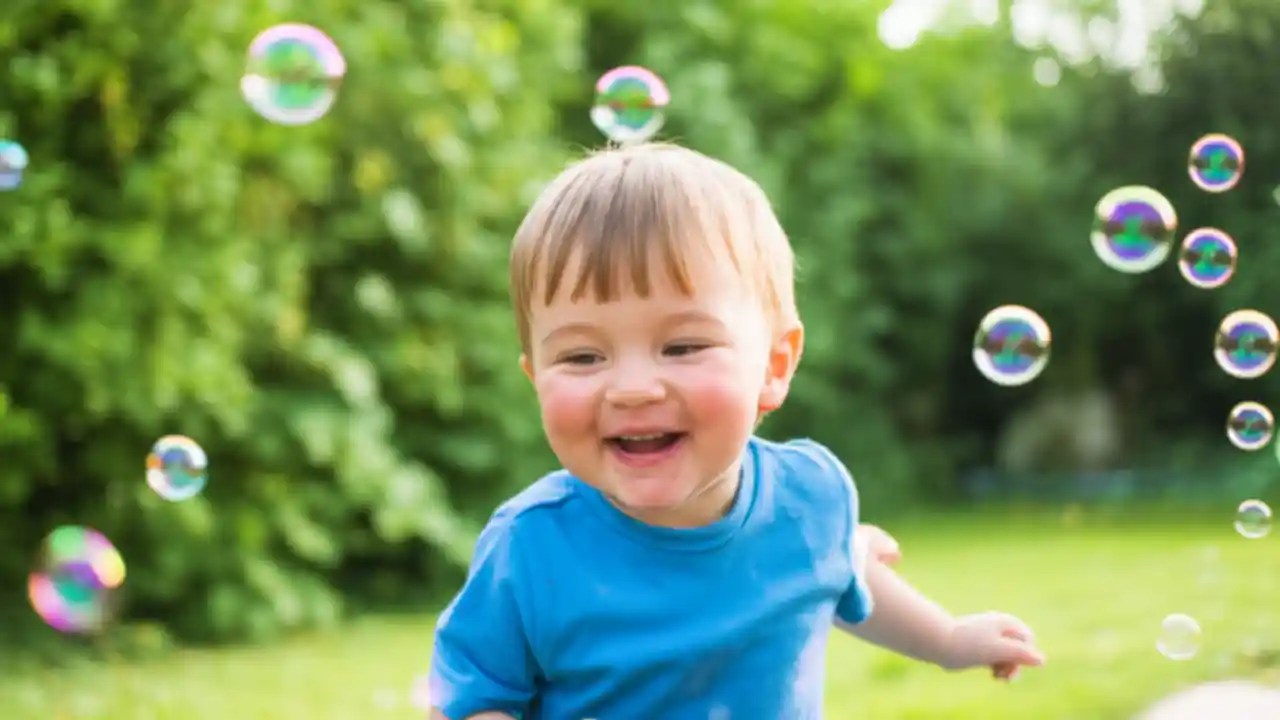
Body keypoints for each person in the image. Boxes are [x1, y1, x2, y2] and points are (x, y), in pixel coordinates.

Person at [428, 142, 1045, 720]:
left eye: (683, 345)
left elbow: (842, 574)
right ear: (536, 379)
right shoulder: (531, 547)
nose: (633, 387)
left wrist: (947, 638)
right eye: (583, 357)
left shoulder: (809, 498)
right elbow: (470, 696)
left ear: (774, 366)